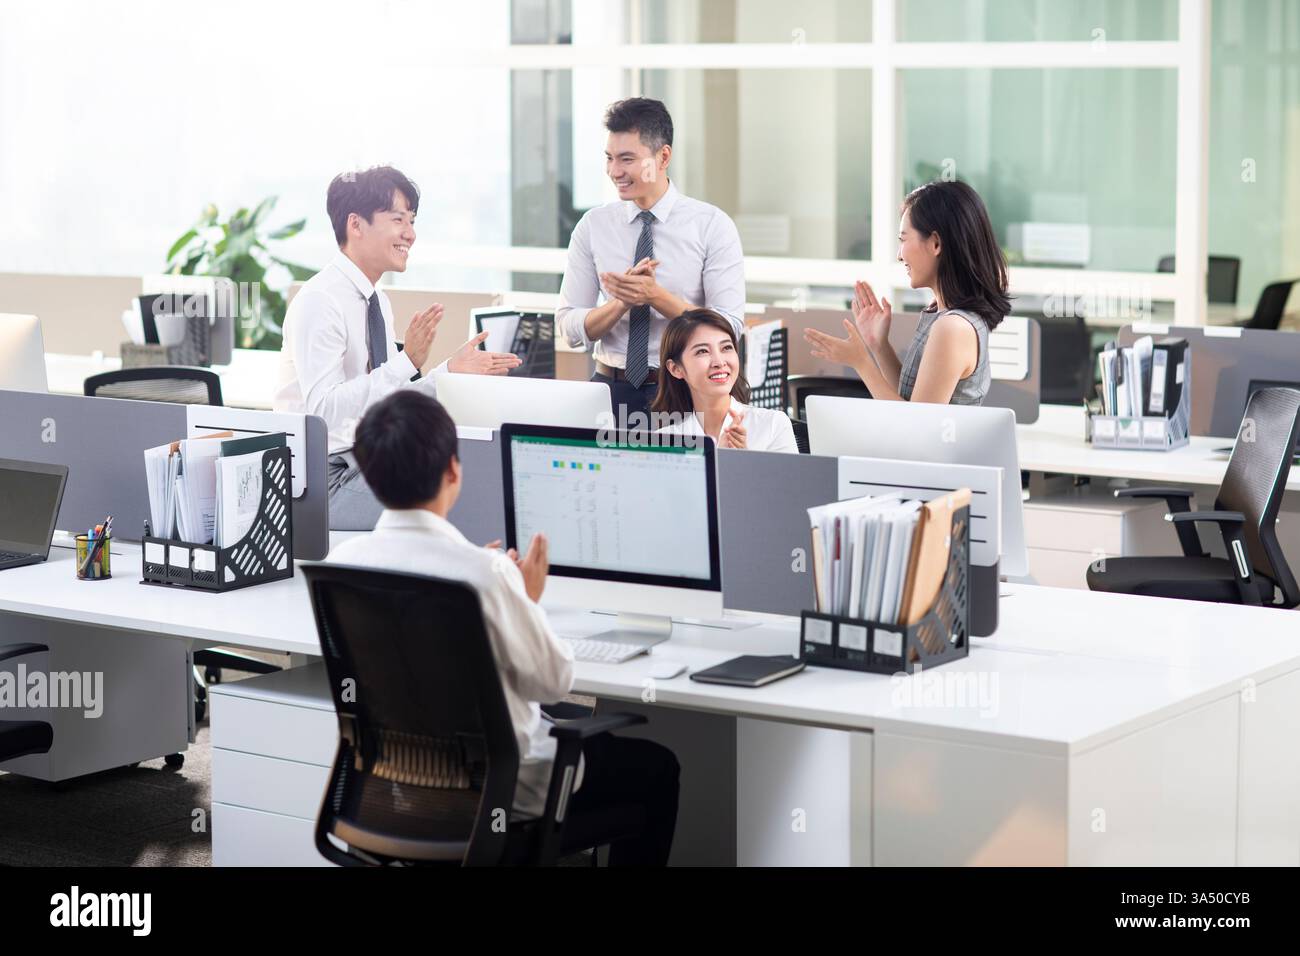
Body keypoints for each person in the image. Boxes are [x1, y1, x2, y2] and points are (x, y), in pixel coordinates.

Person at [328, 390, 681, 866]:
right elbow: (554, 683)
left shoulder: (343, 565)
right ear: (454, 471)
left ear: (367, 475)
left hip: (392, 788)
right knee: (658, 767)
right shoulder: (483, 573)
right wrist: (526, 601)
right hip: (505, 794)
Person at [274, 165, 521, 531]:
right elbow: (323, 412)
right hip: (321, 481)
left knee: (471, 470)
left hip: (366, 464)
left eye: (412, 220)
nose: (410, 234)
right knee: (452, 495)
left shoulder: (376, 302)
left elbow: (389, 405)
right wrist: (405, 362)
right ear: (355, 225)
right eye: (398, 220)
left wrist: (449, 371)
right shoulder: (320, 301)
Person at [557, 97, 746, 426]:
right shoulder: (593, 226)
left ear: (663, 157)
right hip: (608, 391)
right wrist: (620, 303)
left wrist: (655, 297)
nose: (616, 171)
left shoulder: (711, 225)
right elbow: (569, 328)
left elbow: (729, 326)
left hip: (683, 393)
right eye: (610, 158)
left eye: (627, 159)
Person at [803, 180, 1011, 406]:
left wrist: (862, 362)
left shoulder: (952, 328)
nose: (899, 255)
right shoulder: (944, 315)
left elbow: (918, 423)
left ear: (936, 244)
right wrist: (878, 345)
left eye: (903, 240)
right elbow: (910, 401)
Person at [652, 309, 798, 453]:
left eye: (726, 347)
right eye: (702, 351)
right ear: (676, 369)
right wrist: (719, 457)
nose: (719, 362)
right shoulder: (664, 439)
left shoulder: (773, 424)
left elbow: (788, 477)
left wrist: (745, 461)